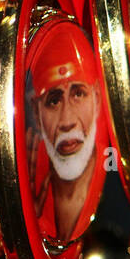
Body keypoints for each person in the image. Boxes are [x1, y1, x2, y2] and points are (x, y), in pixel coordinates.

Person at [28, 24, 103, 246]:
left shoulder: (119, 185)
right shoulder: (28, 183)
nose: (67, 121)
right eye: (53, 100)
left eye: (78, 94)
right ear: (36, 111)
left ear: (97, 99)